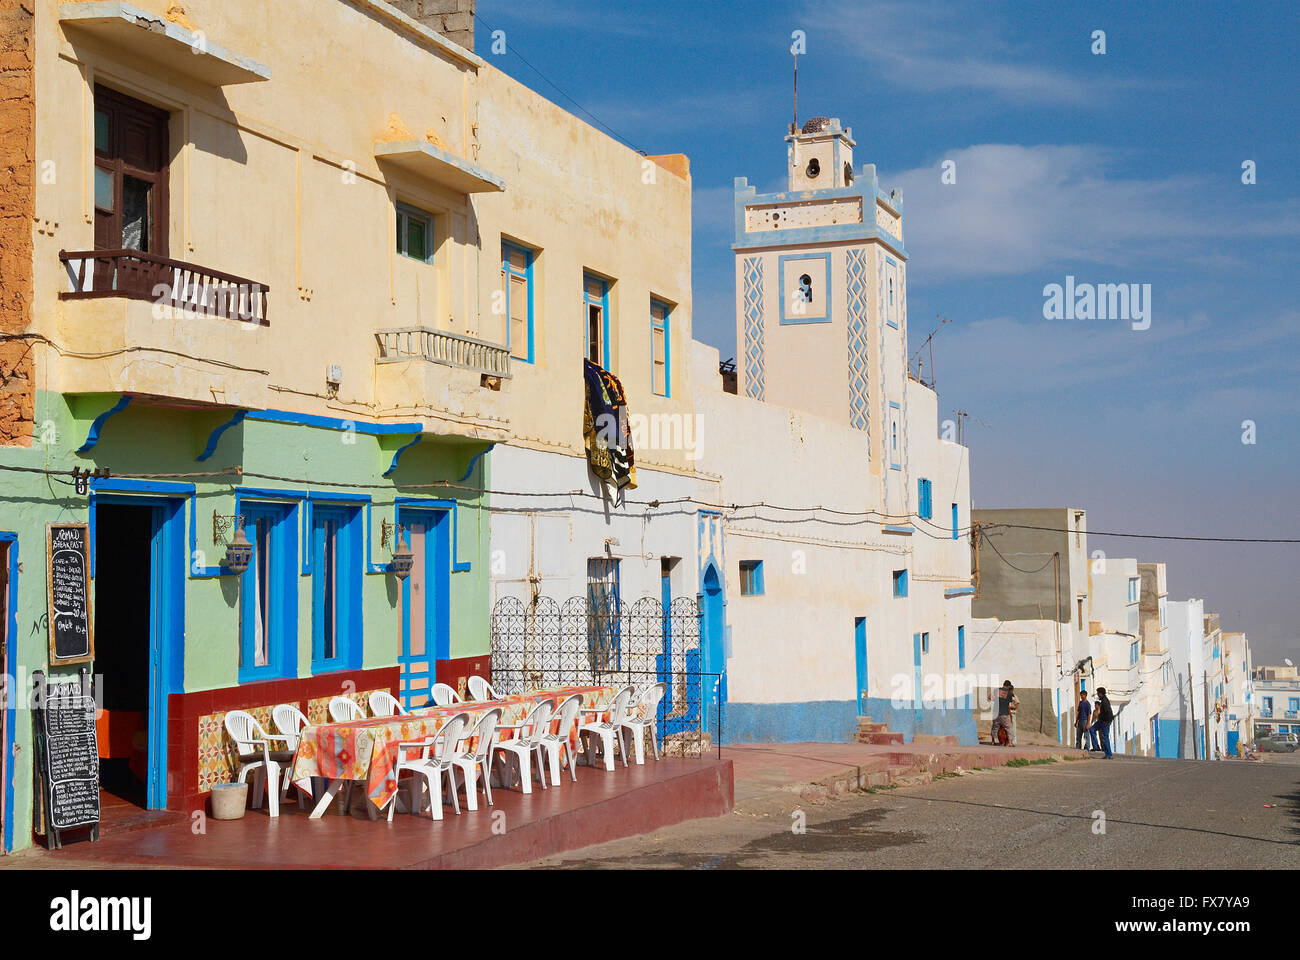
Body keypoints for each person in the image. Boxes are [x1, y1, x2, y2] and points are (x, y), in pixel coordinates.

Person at [991, 680, 1014, 745]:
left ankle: (993, 741)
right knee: (1009, 727)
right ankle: (1010, 743)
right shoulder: (1009, 693)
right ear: (1009, 686)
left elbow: (990, 697)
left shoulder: (996, 690)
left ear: (1003, 684)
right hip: (1005, 713)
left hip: (996, 713)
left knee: (995, 727)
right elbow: (1012, 702)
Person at [1094, 687, 1114, 758]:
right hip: (1102, 721)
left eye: (1098, 693)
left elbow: (1108, 712)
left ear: (1100, 693)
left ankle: (1108, 754)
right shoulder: (1103, 700)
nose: (1097, 694)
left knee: (1105, 737)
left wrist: (1107, 721)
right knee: (1092, 729)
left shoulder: (1105, 701)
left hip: (1105, 721)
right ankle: (1097, 747)